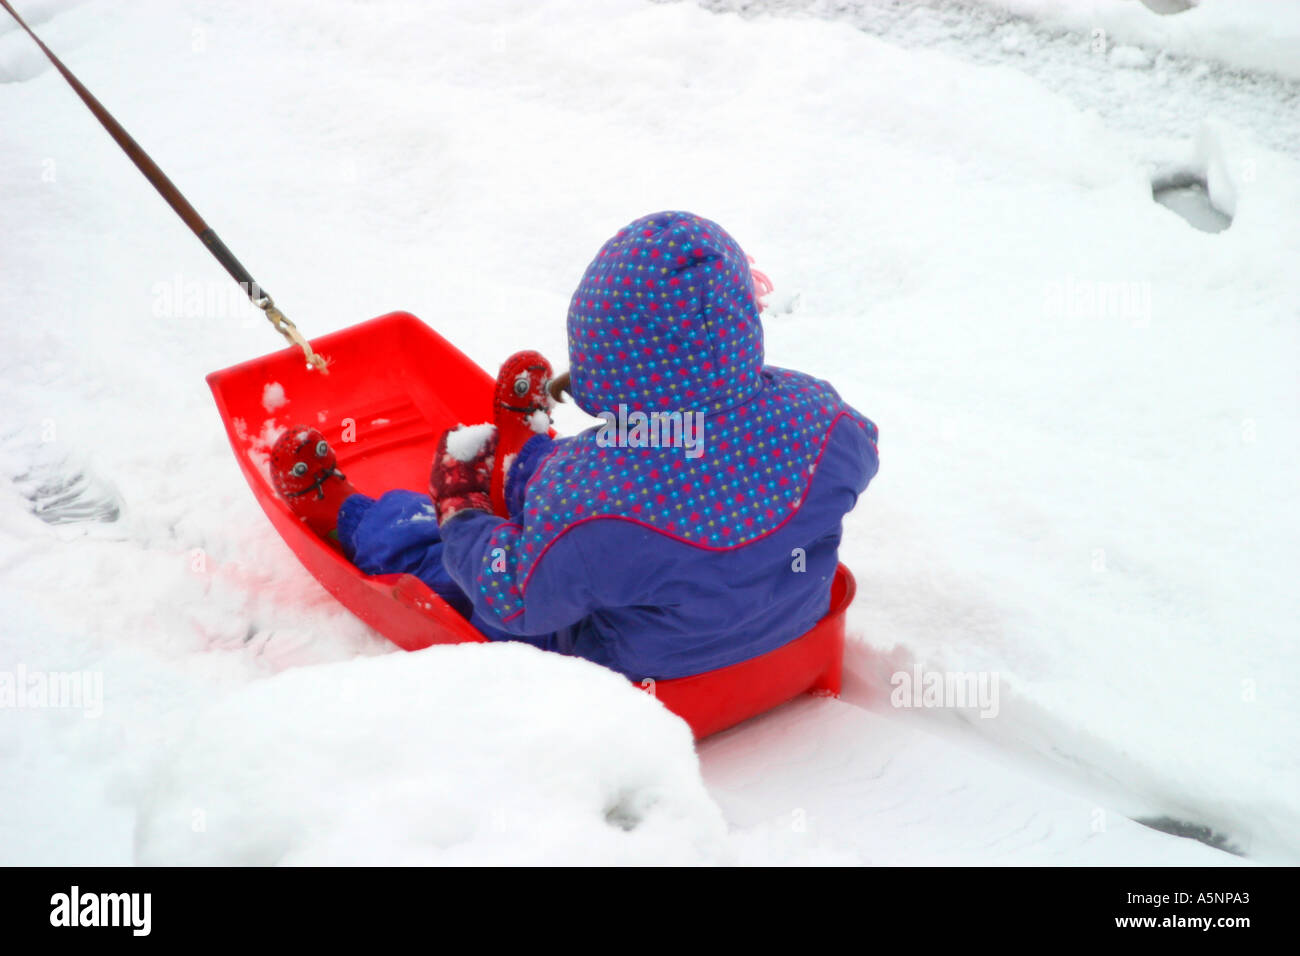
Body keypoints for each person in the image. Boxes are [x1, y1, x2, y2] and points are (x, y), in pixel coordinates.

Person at [271, 211, 879, 681]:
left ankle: (361, 520)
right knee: (604, 474)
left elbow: (514, 597)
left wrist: (464, 518)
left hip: (638, 668)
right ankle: (523, 459)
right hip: (786, 625)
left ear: (609, 362)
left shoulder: (594, 508)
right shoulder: (826, 423)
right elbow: (859, 449)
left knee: (455, 572)